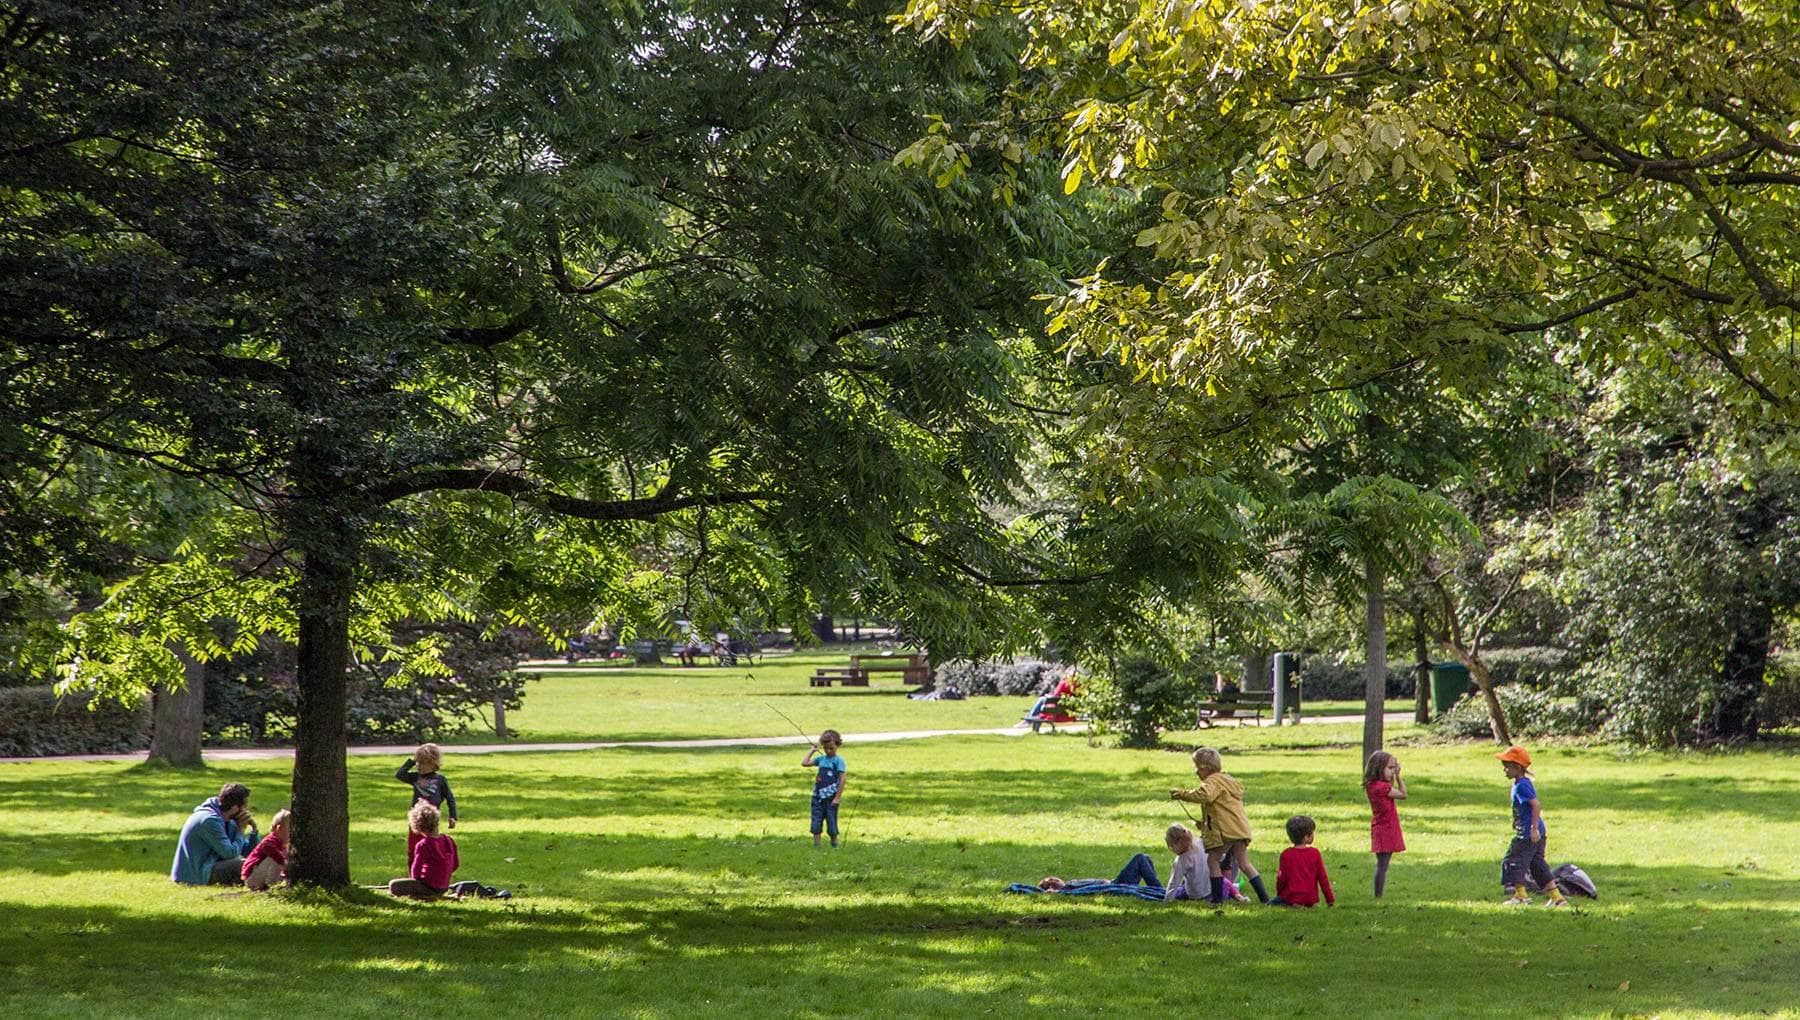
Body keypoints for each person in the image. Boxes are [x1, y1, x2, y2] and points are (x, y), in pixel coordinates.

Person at [1171, 746, 1269, 903]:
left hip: (1225, 833)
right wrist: (1204, 824)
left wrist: (1182, 794)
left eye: (1197, 768)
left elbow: (1205, 796)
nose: (1196, 772)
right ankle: (1265, 898)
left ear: (1205, 768)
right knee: (1244, 863)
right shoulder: (1229, 781)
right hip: (1240, 830)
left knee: (1213, 861)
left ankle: (1217, 899)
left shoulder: (1212, 782)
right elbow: (1223, 811)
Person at [1497, 745, 1568, 907]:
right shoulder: (1522, 783)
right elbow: (1523, 807)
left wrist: (1533, 828)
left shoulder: (1521, 786)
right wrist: (1516, 820)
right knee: (1538, 865)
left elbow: (1535, 805)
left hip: (1529, 834)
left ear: (1517, 767)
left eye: (1507, 767)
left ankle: (1520, 896)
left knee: (1513, 860)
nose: (1504, 771)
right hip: (1535, 831)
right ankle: (1557, 898)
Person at [171, 782, 258, 885]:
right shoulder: (209, 820)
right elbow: (229, 853)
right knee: (243, 865)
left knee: (254, 862)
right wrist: (241, 830)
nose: (246, 811)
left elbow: (247, 852)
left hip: (212, 864)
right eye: (245, 806)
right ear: (235, 808)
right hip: (197, 874)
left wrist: (254, 832)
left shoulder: (229, 819)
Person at [389, 802, 459, 900]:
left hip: (429, 886)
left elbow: (416, 871)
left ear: (418, 826)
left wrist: (417, 882)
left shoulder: (423, 844)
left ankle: (427, 896)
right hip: (444, 886)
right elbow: (455, 864)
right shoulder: (449, 840)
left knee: (394, 885)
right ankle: (436, 895)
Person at [1364, 749, 1407, 898]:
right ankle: (1378, 896)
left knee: (1382, 863)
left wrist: (1392, 775)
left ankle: (1378, 895)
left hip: (1380, 826)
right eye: (1389, 768)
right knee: (1382, 865)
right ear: (1378, 768)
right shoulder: (1382, 788)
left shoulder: (1372, 785)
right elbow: (1403, 794)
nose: (1392, 772)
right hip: (1386, 827)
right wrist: (1399, 777)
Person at [1269, 815, 1335, 907]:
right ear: (1306, 837)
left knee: (1270, 903)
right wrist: (1330, 900)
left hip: (1291, 897)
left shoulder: (1286, 854)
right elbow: (1323, 878)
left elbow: (1281, 879)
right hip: (1310, 898)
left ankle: (1295, 904)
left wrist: (1280, 894)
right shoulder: (1315, 853)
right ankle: (1304, 904)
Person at [395, 742, 457, 830]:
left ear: (433, 764)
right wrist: (412, 761)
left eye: (422, 763)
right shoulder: (416, 777)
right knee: (414, 841)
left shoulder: (440, 780)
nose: (418, 766)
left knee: (431, 841)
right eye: (417, 763)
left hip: (432, 819)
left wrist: (453, 816)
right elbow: (399, 775)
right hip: (417, 818)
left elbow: (450, 799)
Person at [801, 729, 846, 847]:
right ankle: (817, 846)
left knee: (832, 823)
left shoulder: (838, 761)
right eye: (825, 748)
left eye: (831, 748)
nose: (828, 751)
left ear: (838, 745)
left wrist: (837, 798)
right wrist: (812, 751)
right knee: (816, 822)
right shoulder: (821, 760)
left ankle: (835, 845)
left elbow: (842, 780)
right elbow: (805, 763)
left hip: (831, 799)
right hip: (817, 797)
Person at [241, 808, 291, 891]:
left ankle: (275, 882)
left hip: (260, 875)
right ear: (279, 829)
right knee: (275, 858)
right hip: (252, 877)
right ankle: (272, 884)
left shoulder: (282, 844)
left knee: (280, 858)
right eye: (289, 830)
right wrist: (285, 864)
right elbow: (276, 856)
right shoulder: (269, 842)